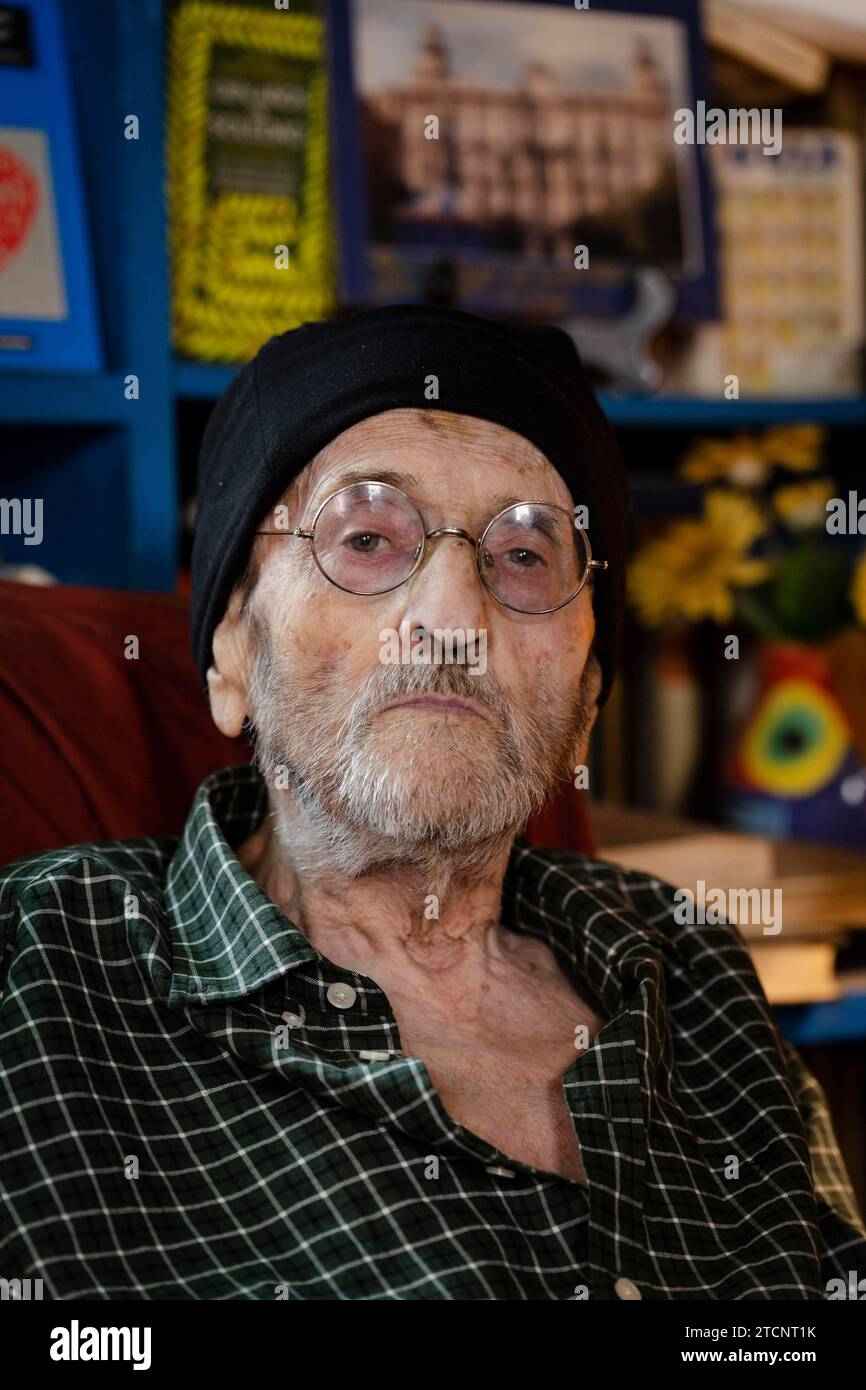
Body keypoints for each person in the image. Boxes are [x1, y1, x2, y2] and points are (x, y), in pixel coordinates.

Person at [1, 305, 864, 1300]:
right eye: (367, 536)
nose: (452, 617)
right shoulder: (37, 975)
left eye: (524, 555)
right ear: (232, 650)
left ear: (585, 699)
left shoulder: (690, 969)